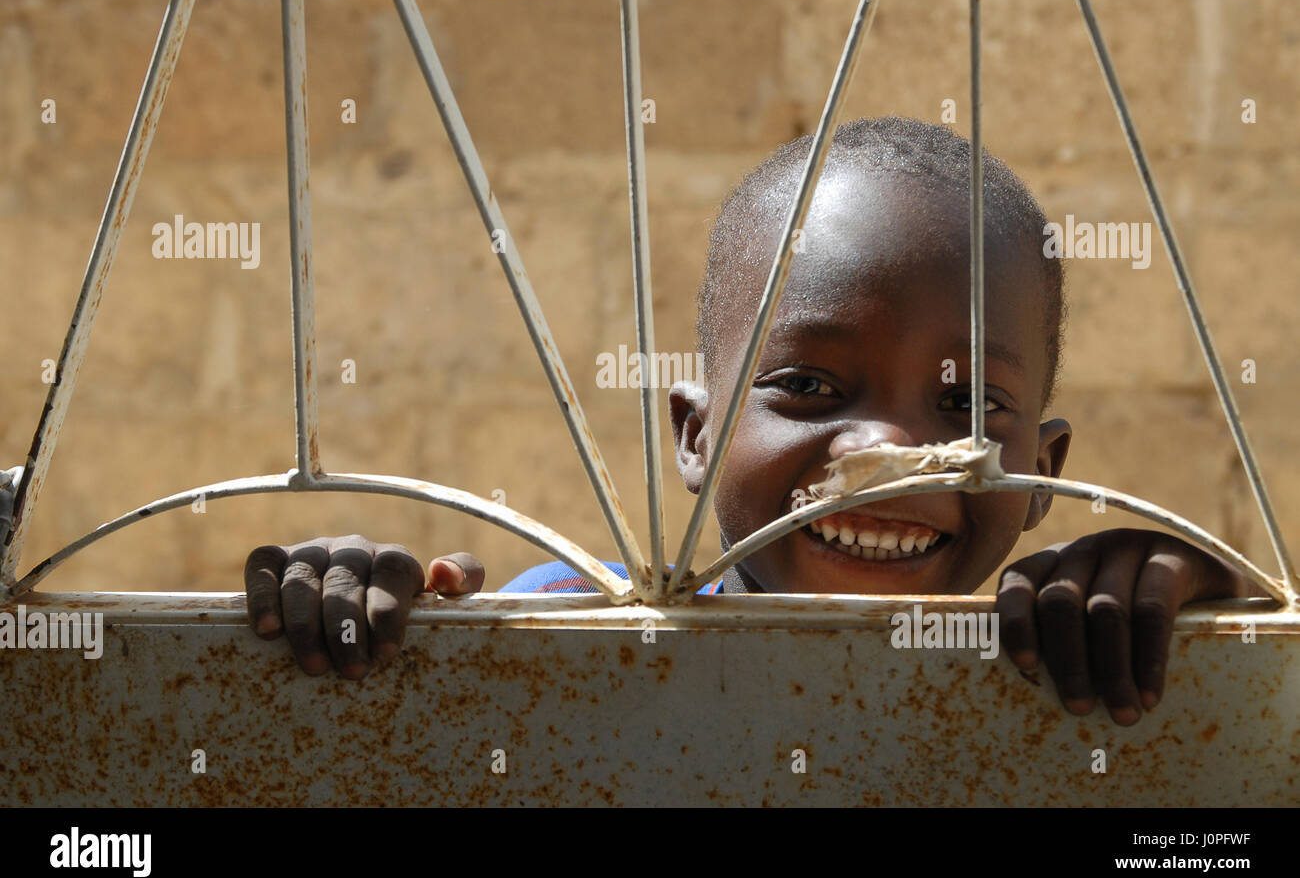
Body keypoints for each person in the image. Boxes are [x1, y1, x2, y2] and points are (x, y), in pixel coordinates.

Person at [243, 117, 1254, 726]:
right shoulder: (570, 631)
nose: (890, 452)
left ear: (1042, 469)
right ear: (694, 433)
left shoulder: (1066, 663)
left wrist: (1211, 603)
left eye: (966, 404)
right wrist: (357, 635)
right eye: (811, 385)